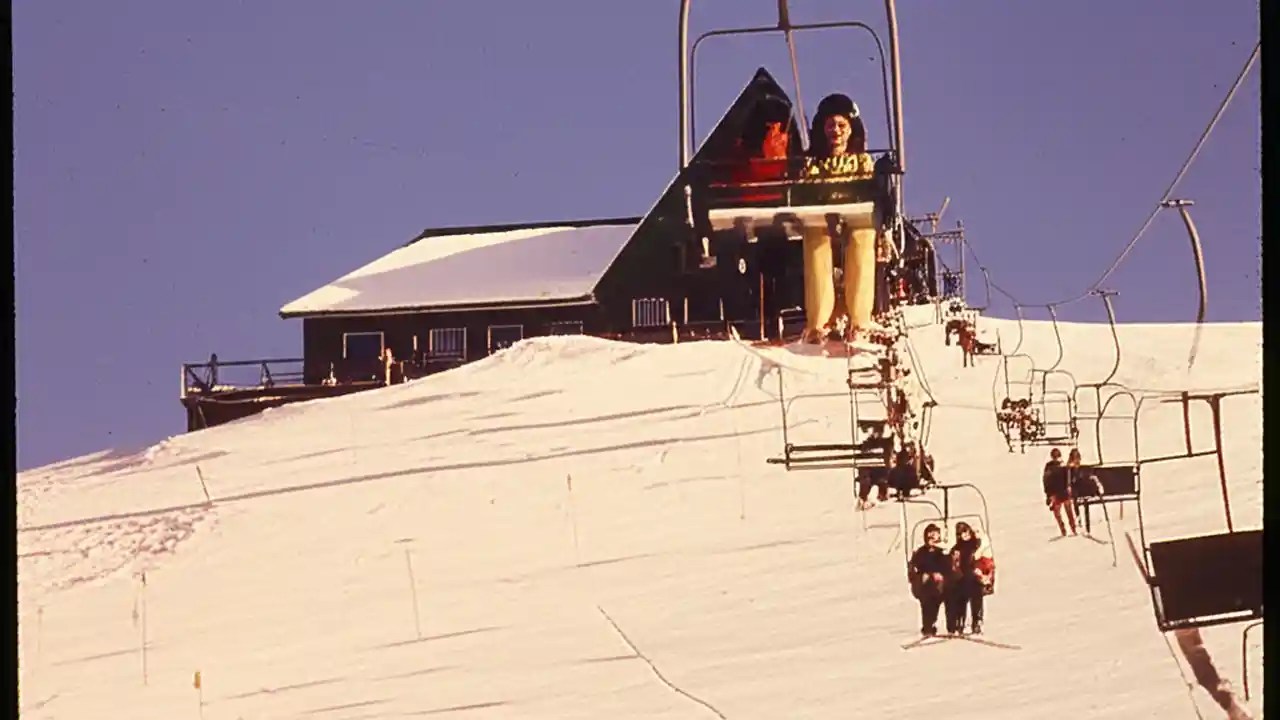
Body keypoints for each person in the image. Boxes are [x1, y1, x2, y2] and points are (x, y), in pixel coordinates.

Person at [798, 93, 887, 346]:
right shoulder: (814, 165)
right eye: (830, 126)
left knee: (862, 236)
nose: (835, 132)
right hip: (823, 220)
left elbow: (871, 192)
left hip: (855, 219)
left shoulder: (861, 162)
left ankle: (860, 320)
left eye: (841, 126)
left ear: (850, 130)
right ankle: (817, 321)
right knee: (815, 237)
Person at [944, 521, 993, 635]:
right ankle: (959, 622)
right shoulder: (957, 549)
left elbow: (985, 560)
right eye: (962, 533)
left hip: (975, 577)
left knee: (976, 594)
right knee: (959, 595)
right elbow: (953, 564)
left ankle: (977, 621)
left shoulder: (977, 545)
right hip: (962, 578)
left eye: (966, 531)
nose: (965, 534)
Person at [908, 523, 950, 636]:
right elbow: (914, 569)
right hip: (924, 585)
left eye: (934, 535)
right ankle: (927, 626)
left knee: (935, 601)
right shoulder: (921, 552)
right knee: (926, 602)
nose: (932, 538)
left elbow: (947, 567)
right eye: (930, 535)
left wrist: (940, 575)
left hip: (939, 585)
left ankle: (931, 624)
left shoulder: (941, 552)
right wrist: (921, 576)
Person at [1042, 448, 1077, 536]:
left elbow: (1046, 481)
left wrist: (1048, 494)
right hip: (1060, 492)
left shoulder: (1054, 467)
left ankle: (1067, 528)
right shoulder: (1062, 466)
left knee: (1061, 512)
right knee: (1066, 511)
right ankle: (1069, 528)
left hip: (1058, 492)